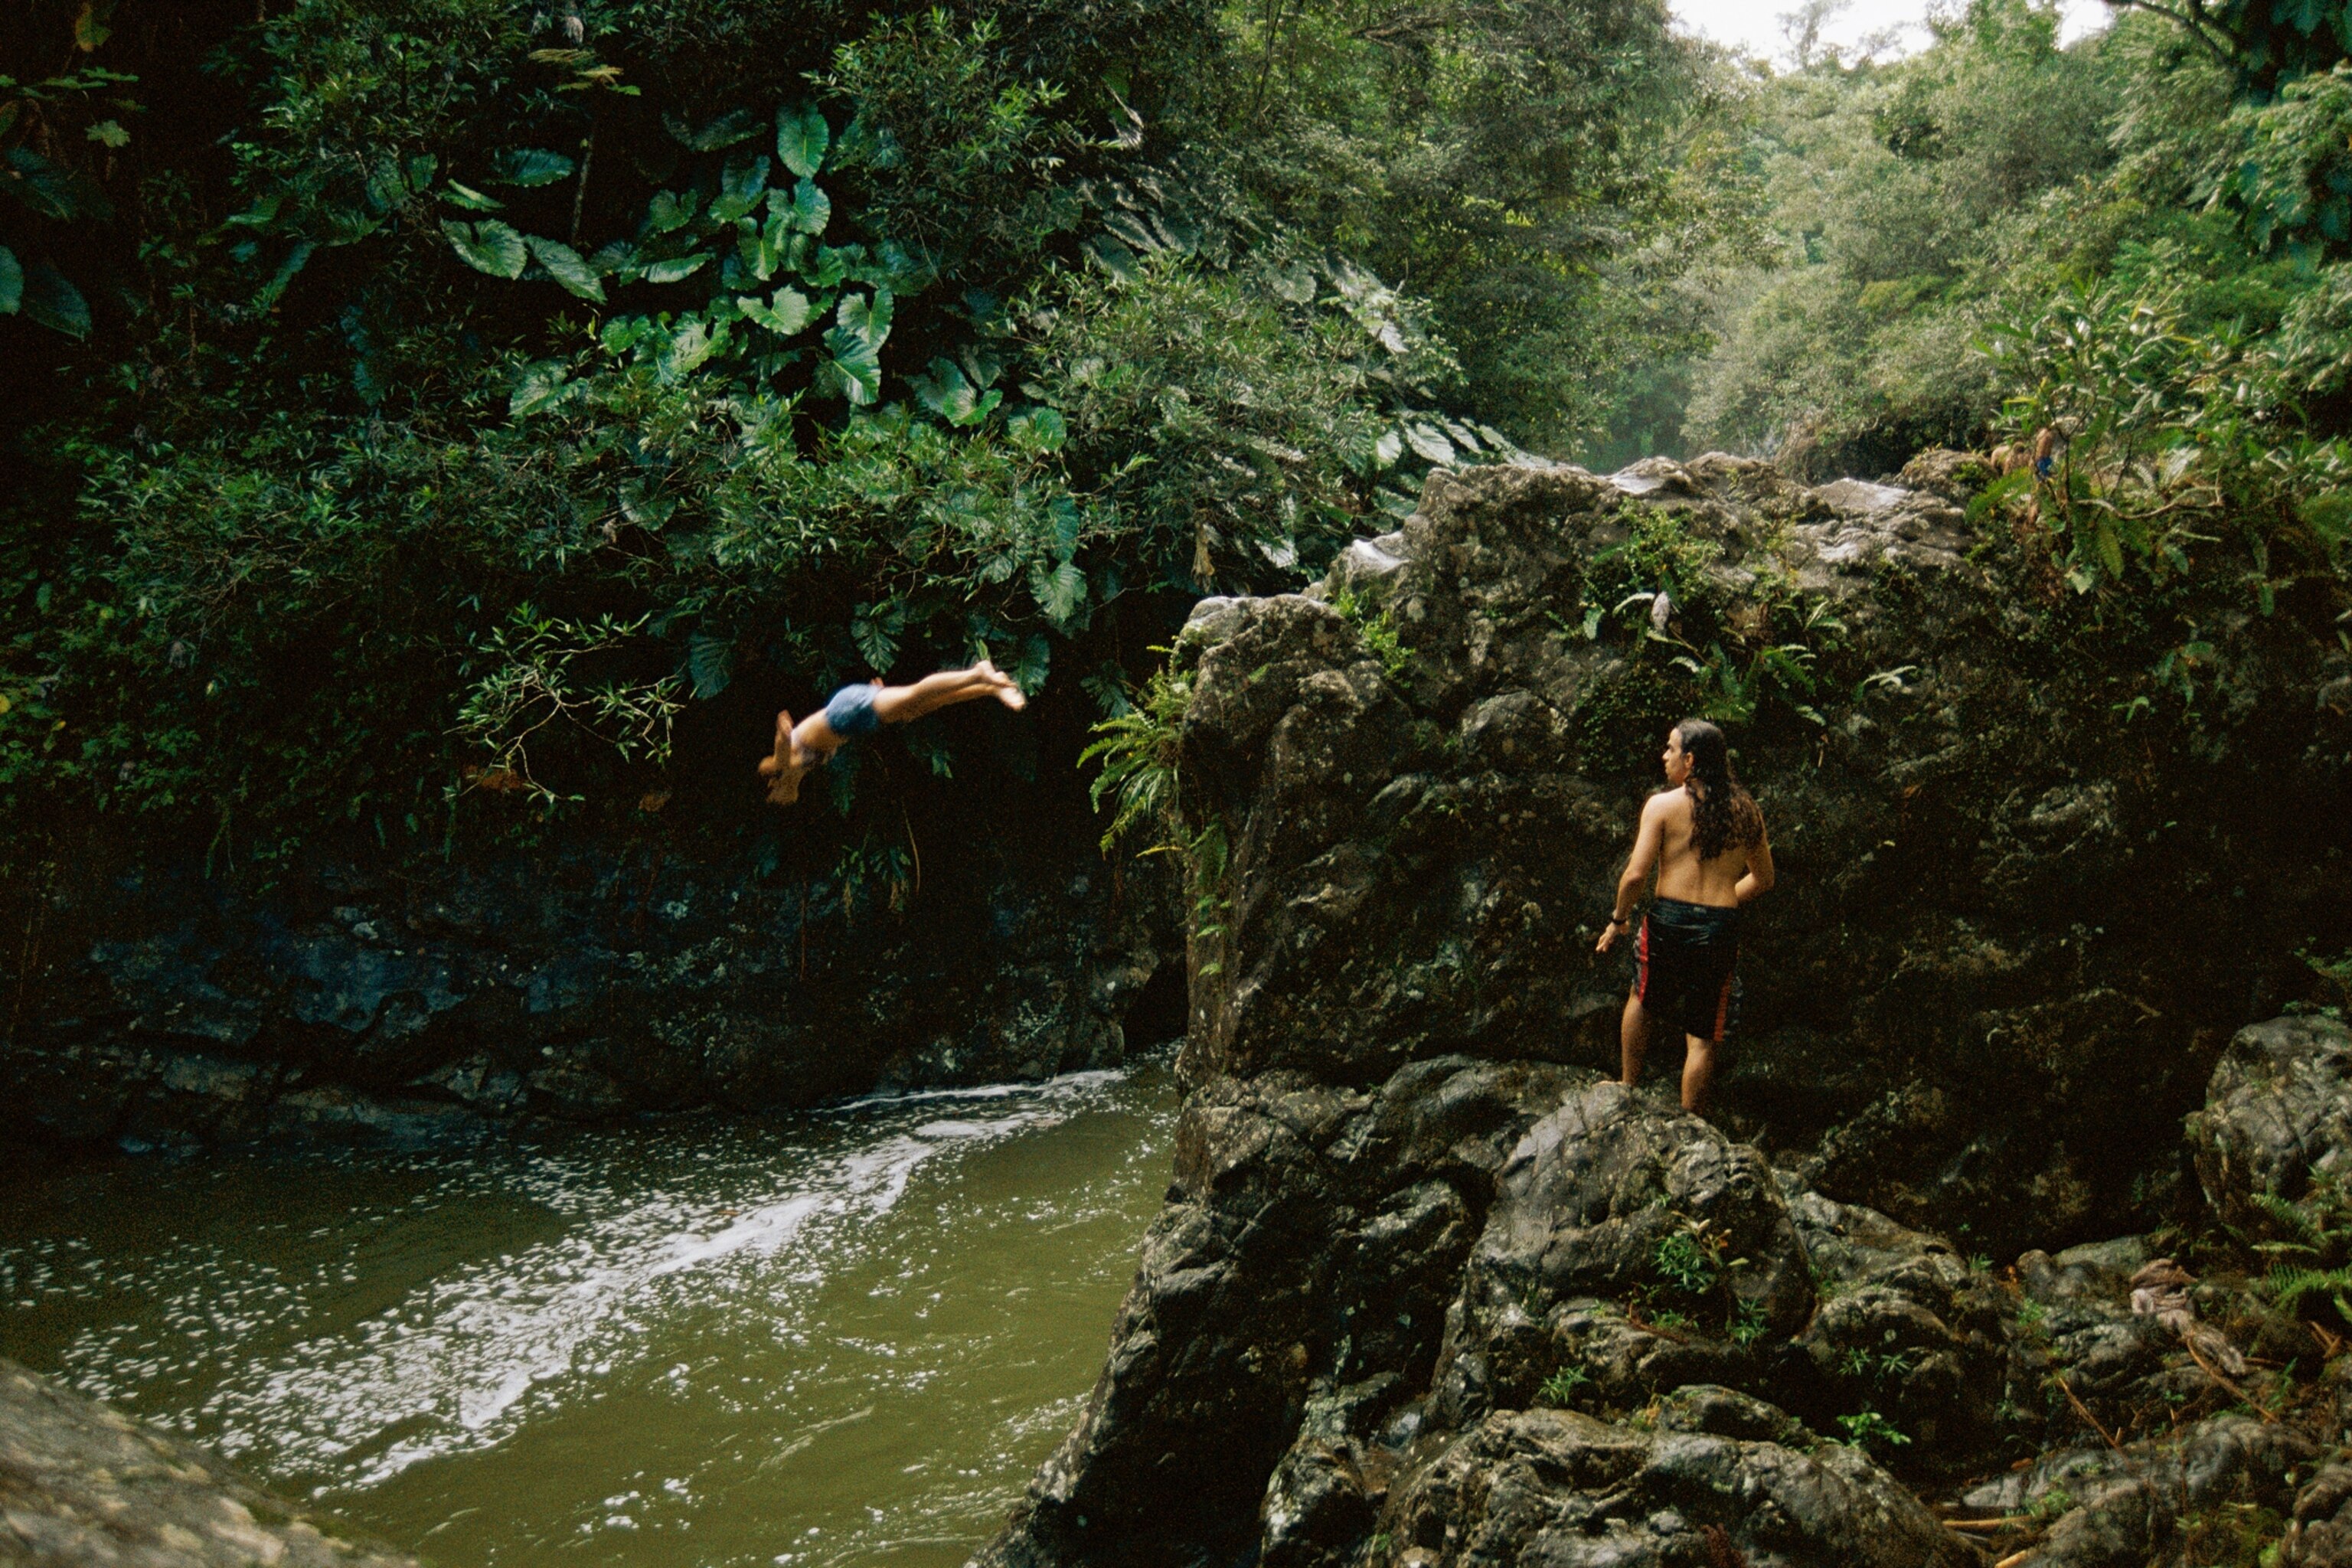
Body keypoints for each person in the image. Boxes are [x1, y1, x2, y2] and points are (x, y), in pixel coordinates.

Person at [1593, 718, 1774, 1114]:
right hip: (1720, 927)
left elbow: (1635, 874)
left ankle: (1627, 1086)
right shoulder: (1747, 811)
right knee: (1703, 1036)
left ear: (1690, 760)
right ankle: (1691, 1124)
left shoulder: (1663, 806)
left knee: (1642, 998)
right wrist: (1724, 899)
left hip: (1669, 921)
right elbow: (1764, 879)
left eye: (1671, 749)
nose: (1665, 756)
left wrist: (1619, 919)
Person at [759, 660, 1026, 806]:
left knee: (915, 694)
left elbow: (781, 747)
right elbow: (791, 791)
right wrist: (786, 791)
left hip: (846, 712)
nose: (778, 796)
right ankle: (991, 689)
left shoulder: (784, 764)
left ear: (771, 780)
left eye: (772, 792)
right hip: (853, 720)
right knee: (922, 706)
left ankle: (978, 673)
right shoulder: (797, 770)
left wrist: (783, 733)